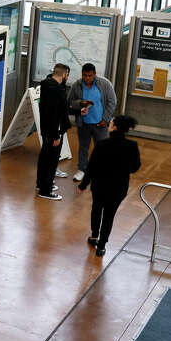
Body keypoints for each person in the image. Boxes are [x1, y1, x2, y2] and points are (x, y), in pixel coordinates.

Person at [76, 115, 141, 256]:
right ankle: (101, 246)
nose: (109, 125)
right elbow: (135, 167)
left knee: (97, 210)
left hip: (100, 186)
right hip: (119, 187)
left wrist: (83, 185)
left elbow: (91, 168)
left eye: (110, 124)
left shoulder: (102, 145)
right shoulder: (132, 146)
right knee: (109, 216)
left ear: (115, 128)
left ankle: (94, 236)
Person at [67, 63, 117, 183]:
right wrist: (80, 103)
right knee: (83, 148)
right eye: (85, 75)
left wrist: (105, 119)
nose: (87, 78)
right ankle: (82, 170)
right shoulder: (77, 85)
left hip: (101, 124)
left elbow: (112, 102)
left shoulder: (105, 84)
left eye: (90, 75)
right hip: (83, 123)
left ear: (94, 74)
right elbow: (70, 102)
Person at [36, 63, 70, 200]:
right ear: (64, 74)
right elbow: (55, 114)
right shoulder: (56, 90)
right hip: (54, 131)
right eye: (67, 75)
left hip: (46, 129)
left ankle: (41, 184)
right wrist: (57, 134)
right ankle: (46, 189)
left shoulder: (46, 85)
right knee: (51, 161)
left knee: (44, 158)